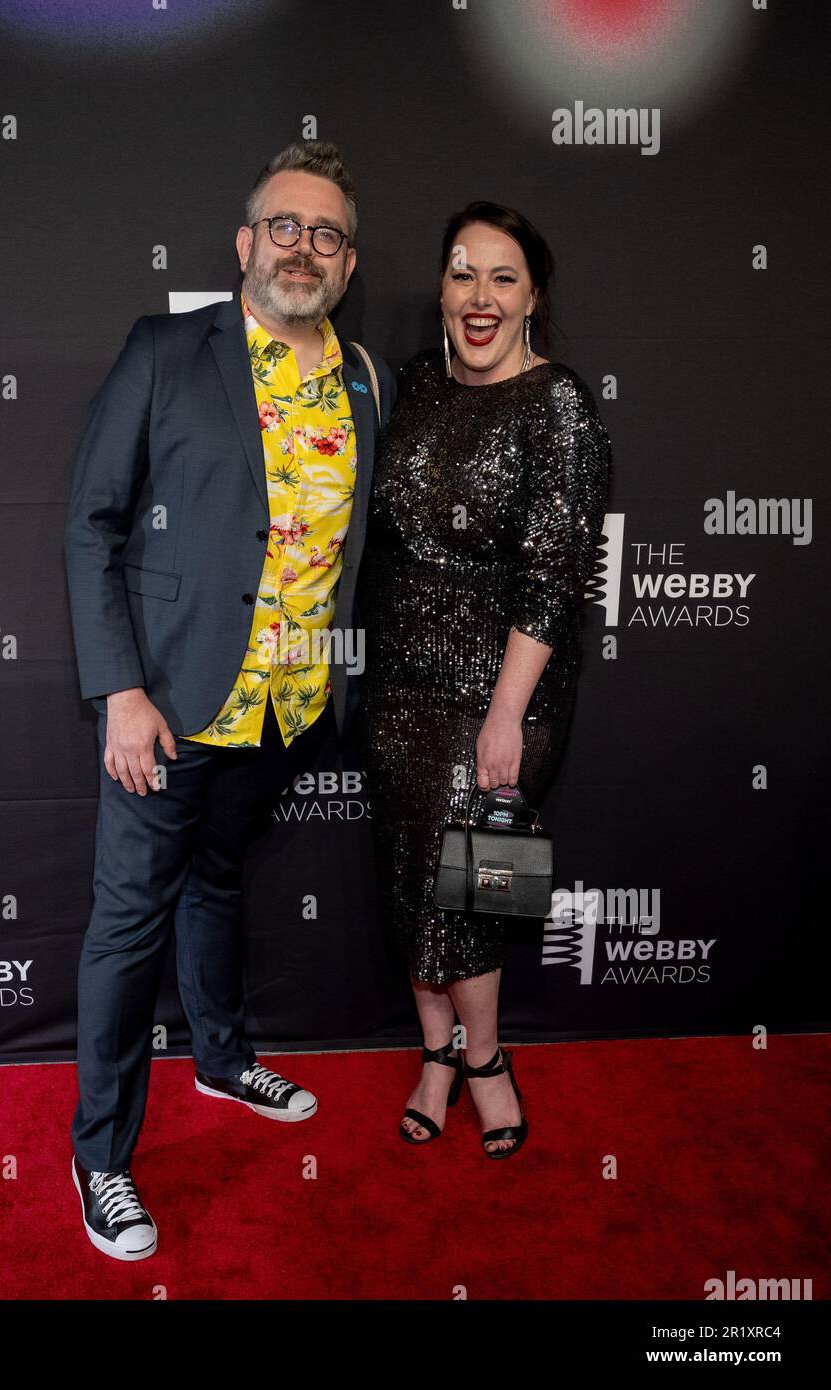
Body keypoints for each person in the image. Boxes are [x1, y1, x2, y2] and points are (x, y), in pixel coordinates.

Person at [63, 140, 396, 1259]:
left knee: (217, 881)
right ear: (246, 243)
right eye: (287, 227)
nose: (306, 248)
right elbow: (92, 523)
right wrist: (117, 690)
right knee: (126, 926)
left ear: (346, 265)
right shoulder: (166, 351)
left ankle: (218, 1059)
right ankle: (100, 1157)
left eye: (330, 235)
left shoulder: (361, 378)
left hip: (284, 710)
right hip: (164, 706)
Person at [356, 202, 611, 1157]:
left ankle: (488, 1060)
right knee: (409, 880)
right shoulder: (418, 385)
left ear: (532, 296)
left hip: (506, 692)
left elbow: (554, 575)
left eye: (503, 278)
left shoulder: (559, 405)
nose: (480, 295)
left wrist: (504, 713)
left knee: (475, 883)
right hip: (400, 689)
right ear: (443, 289)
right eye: (463, 274)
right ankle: (435, 1054)